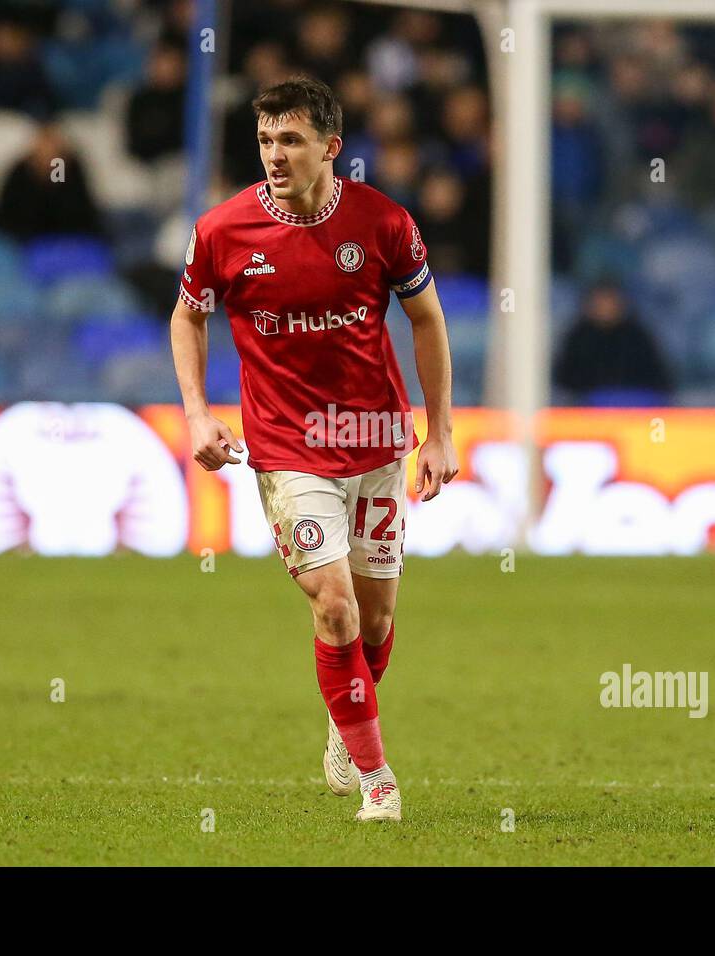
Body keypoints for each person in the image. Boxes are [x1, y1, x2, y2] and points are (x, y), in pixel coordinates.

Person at [169, 76, 458, 822]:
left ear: (331, 148)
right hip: (288, 448)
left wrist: (441, 432)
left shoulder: (384, 223)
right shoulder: (222, 231)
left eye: (290, 140)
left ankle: (344, 715)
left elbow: (427, 320)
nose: (274, 154)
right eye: (265, 139)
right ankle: (378, 778)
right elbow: (188, 318)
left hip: (377, 443)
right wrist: (198, 414)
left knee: (378, 619)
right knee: (334, 609)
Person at [552, 280, 671, 400]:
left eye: (610, 301)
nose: (605, 306)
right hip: (585, 411)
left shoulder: (637, 337)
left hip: (632, 411)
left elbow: (658, 379)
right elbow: (564, 381)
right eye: (600, 301)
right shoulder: (578, 338)